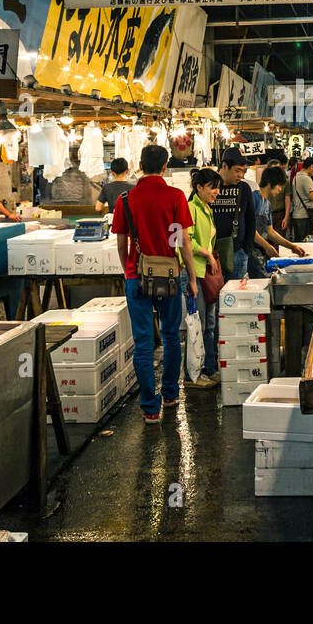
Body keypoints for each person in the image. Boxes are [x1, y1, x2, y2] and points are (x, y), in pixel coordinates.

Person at [112, 144, 197, 424]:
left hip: (136, 276)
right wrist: (192, 278)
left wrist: (128, 270)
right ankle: (171, 394)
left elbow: (121, 242)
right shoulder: (175, 196)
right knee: (172, 336)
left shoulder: (126, 199)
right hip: (169, 275)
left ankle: (150, 408)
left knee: (143, 342)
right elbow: (181, 241)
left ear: (139, 164)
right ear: (165, 167)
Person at [186, 168, 222, 389]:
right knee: (195, 326)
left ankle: (209, 368)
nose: (216, 191)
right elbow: (185, 243)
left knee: (209, 324)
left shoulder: (207, 209)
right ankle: (192, 374)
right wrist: (207, 254)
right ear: (199, 187)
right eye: (212, 187)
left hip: (206, 275)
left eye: (217, 187)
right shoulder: (191, 208)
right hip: (194, 275)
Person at [250, 165, 306, 277]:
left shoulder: (267, 204)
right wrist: (267, 246)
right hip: (250, 253)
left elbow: (270, 231)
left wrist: (292, 247)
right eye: (279, 186)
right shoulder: (253, 199)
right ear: (270, 183)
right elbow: (251, 231)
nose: (280, 190)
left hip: (260, 253)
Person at [212, 148, 256, 280]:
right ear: (224, 166)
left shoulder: (244, 188)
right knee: (212, 295)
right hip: (211, 255)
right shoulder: (207, 186)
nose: (241, 176)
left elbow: (251, 220)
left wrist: (246, 250)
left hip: (238, 253)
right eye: (238, 171)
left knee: (234, 297)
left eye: (244, 172)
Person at [288, 155, 313, 241]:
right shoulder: (306, 178)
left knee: (300, 242)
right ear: (311, 167)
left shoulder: (296, 177)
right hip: (305, 217)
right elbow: (312, 196)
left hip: (298, 215)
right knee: (306, 244)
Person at [265, 150, 289, 236]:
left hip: (280, 214)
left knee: (279, 240)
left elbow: (287, 199)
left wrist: (286, 217)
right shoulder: (264, 183)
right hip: (267, 214)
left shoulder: (285, 182)